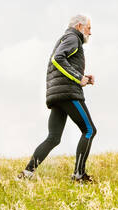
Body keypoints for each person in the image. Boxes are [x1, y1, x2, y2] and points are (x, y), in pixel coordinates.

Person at [19, 14, 97, 183]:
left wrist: (84, 77)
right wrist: (78, 77)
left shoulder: (66, 39)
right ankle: (79, 175)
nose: (90, 33)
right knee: (89, 130)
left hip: (57, 94)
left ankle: (26, 174)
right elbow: (58, 59)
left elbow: (62, 62)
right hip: (68, 93)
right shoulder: (72, 39)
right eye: (89, 28)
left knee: (53, 137)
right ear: (79, 26)